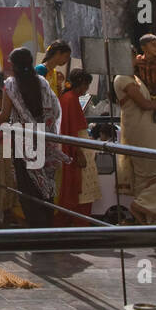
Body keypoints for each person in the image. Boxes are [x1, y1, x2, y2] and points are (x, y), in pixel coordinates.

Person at [0, 47, 65, 227]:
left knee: (27, 185)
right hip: (44, 137)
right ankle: (47, 223)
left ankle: (35, 225)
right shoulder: (42, 82)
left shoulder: (10, 84)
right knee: (44, 182)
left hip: (22, 139)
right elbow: (55, 110)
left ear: (13, 64)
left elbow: (4, 115)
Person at [112, 74, 156, 224]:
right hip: (140, 129)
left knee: (147, 174)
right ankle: (142, 205)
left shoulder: (135, 78)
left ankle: (152, 220)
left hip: (148, 125)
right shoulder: (121, 78)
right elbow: (144, 104)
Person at [54, 69, 99, 225]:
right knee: (83, 190)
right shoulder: (71, 99)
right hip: (78, 147)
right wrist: (78, 152)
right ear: (82, 84)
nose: (87, 89)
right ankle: (80, 224)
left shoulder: (66, 98)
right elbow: (72, 129)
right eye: (86, 85)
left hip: (76, 145)